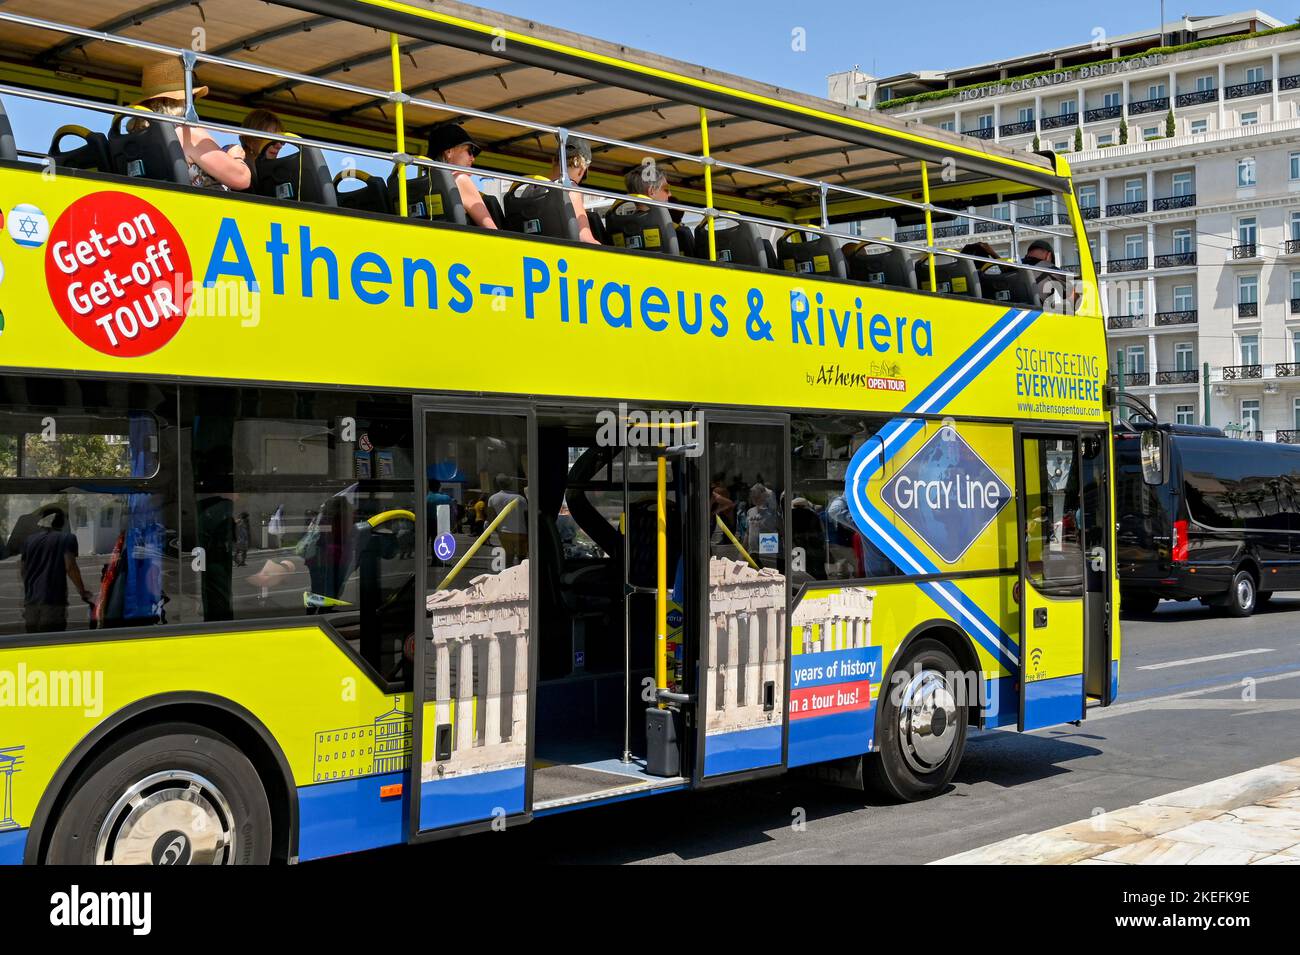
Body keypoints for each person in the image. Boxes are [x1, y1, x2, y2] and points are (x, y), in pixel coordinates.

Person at [128, 58, 251, 191]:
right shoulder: (188, 134)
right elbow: (241, 179)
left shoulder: (135, 137)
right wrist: (236, 156)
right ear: (184, 100)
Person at [19, 506, 92, 633]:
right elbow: (70, 567)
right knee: (51, 641)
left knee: (32, 643)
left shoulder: (29, 540)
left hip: (31, 601)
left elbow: (23, 570)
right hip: (53, 601)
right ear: (61, 522)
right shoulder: (67, 539)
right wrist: (82, 591)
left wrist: (30, 590)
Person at [427, 123, 498, 229]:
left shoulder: (426, 184)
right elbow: (493, 231)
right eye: (469, 151)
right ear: (449, 152)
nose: (473, 159)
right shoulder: (460, 180)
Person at [550, 138, 600, 244]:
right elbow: (585, 237)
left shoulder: (533, 187)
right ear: (583, 168)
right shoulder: (571, 190)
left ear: (553, 160)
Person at [487, 474, 528, 564]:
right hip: (521, 532)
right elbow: (526, 517)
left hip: (504, 532)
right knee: (522, 558)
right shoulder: (521, 499)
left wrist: (497, 530)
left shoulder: (492, 499)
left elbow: (491, 518)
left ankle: (508, 574)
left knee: (508, 557)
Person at [1023, 238, 1067, 308]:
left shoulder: (1016, 266)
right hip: (1039, 315)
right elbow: (1074, 296)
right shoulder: (1049, 267)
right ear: (1048, 256)